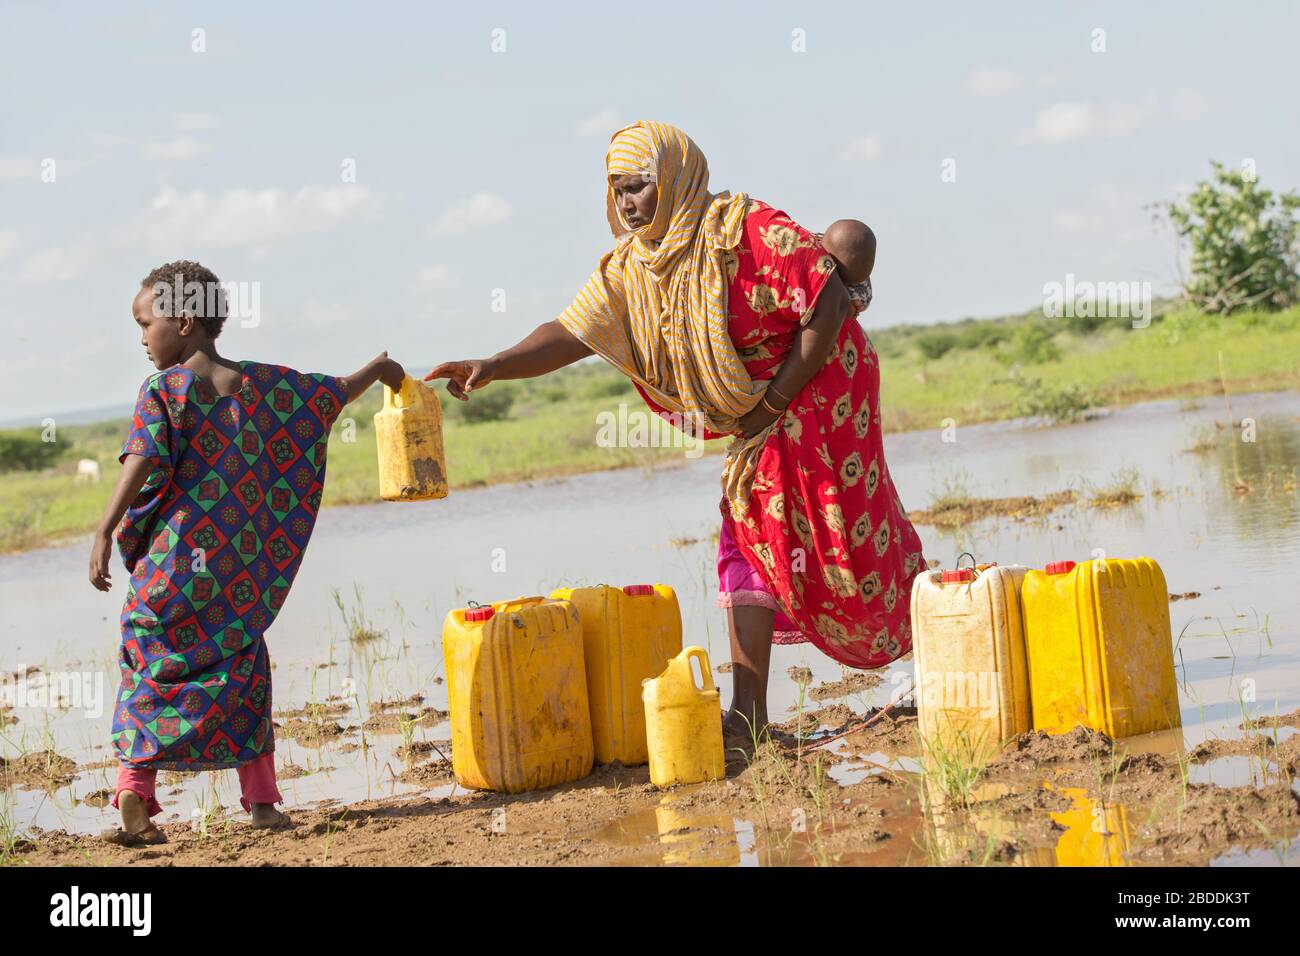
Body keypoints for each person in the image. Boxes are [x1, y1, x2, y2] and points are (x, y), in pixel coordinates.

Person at [425, 121, 924, 744]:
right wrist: (494, 364)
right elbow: (572, 331)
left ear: (676, 178)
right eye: (617, 191)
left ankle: (940, 638)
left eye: (638, 186)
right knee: (748, 532)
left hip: (821, 383)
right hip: (761, 407)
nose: (627, 203)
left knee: (848, 532)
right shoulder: (633, 270)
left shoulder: (744, 230)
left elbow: (825, 301)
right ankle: (749, 717)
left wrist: (772, 403)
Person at [88, 259, 405, 844]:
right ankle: (261, 804)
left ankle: (136, 791)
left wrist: (106, 528)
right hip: (236, 570)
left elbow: (144, 457)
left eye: (143, 323)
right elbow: (329, 396)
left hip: (173, 566)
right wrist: (378, 368)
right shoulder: (266, 385)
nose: (140, 339)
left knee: (149, 663)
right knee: (241, 664)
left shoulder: (164, 389)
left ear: (183, 321)